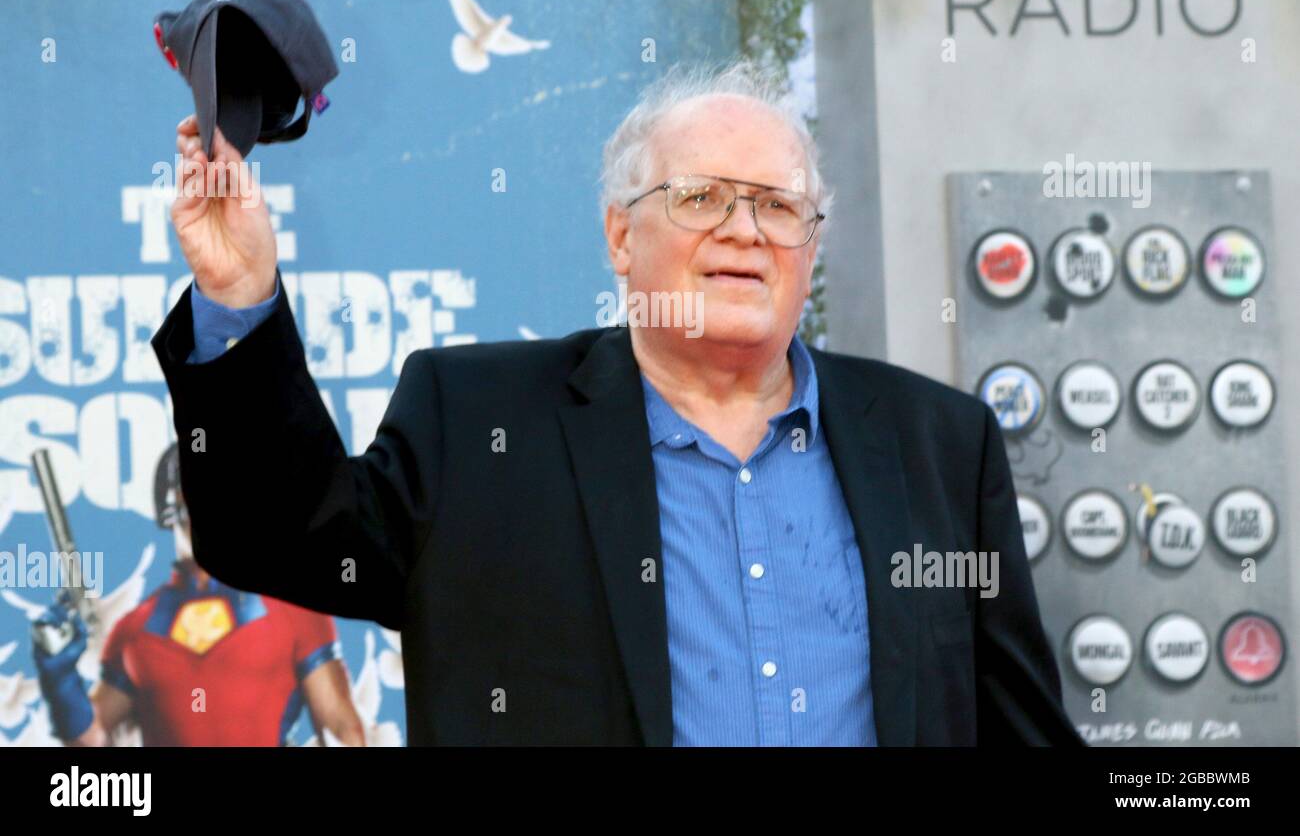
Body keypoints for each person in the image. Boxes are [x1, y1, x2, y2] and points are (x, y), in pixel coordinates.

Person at [151, 58, 1081, 746]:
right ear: (619, 237)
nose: (744, 232)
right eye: (703, 197)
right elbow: (271, 531)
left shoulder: (940, 446)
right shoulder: (480, 422)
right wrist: (238, 299)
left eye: (778, 205)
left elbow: (1022, 734)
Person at [32, 445, 366, 746]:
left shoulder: (294, 611)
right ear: (170, 509)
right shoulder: (135, 629)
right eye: (189, 505)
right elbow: (92, 738)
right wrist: (60, 679)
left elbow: (341, 729)